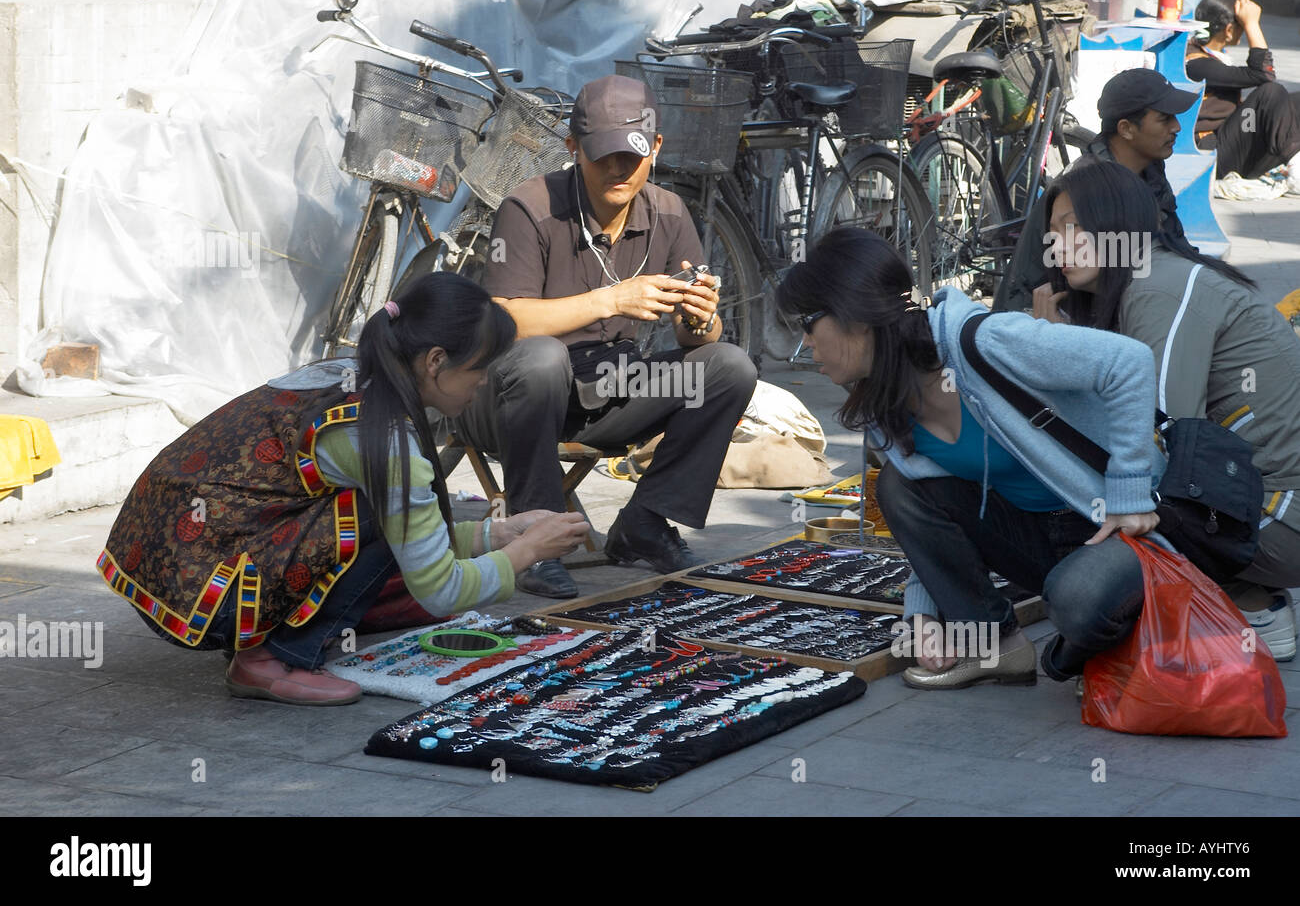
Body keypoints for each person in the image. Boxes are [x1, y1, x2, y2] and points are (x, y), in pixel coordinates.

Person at [97, 272, 591, 705]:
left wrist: (499, 535)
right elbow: (440, 590)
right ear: (436, 361)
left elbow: (420, 543)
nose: (484, 384)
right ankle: (274, 660)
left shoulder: (350, 374)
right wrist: (528, 553)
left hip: (163, 556)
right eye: (480, 370)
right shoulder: (384, 444)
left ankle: (263, 636)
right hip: (194, 587)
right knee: (369, 515)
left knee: (379, 514)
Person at [779, 227, 1164, 689]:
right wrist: (926, 613)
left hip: (1116, 529)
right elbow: (932, 517)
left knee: (1077, 602)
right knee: (898, 488)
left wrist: (1129, 495)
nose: (804, 342)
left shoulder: (985, 341)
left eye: (808, 320)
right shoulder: (883, 403)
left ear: (854, 315)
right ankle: (998, 647)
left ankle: (1131, 634)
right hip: (1038, 543)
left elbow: (1130, 363)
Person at [455, 74, 758, 599]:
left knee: (728, 367)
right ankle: (535, 533)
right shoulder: (528, 208)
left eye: (632, 155)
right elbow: (503, 320)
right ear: (573, 148)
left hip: (607, 388)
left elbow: (699, 339)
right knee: (543, 359)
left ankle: (645, 520)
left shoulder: (668, 211)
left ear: (656, 147)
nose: (618, 169)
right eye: (602, 156)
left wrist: (700, 316)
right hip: (507, 396)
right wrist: (613, 300)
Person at [1032, 157, 1300, 660]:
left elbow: (1154, 438)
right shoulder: (1143, 284)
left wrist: (1053, 352)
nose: (1059, 246)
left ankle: (1236, 598)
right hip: (1250, 506)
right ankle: (1247, 599)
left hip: (1278, 521)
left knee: (1080, 584)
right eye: (1052, 233)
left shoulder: (1159, 287)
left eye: (1075, 229)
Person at [994, 68, 1198, 312]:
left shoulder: (1150, 168)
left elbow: (1175, 244)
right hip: (1050, 318)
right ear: (1126, 129)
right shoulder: (1086, 190)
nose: (1176, 127)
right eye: (1165, 119)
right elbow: (1102, 282)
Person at [1186, 0, 1300, 192]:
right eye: (1241, 27)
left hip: (1235, 141)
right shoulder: (1196, 63)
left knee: (1290, 102)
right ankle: (1296, 169)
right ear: (1229, 30)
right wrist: (1252, 24)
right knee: (1271, 93)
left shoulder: (1212, 57)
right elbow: (1263, 74)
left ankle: (1292, 159)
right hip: (1215, 155)